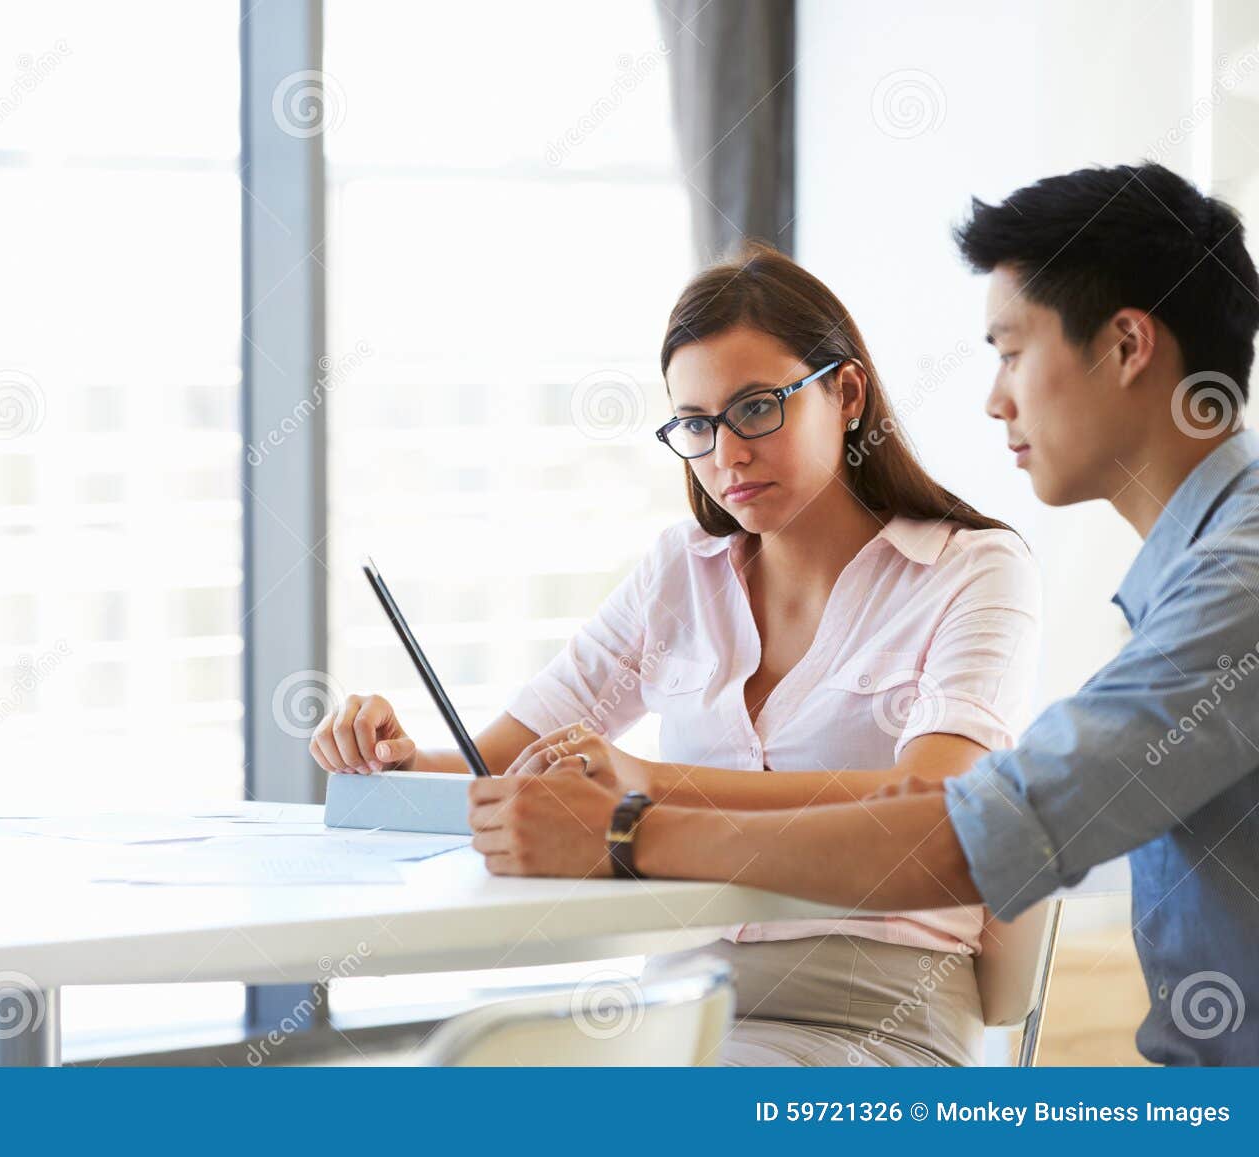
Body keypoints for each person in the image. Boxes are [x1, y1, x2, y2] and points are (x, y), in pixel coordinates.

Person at [472, 162, 1259, 1067]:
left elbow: (970, 832)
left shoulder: (1234, 582)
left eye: (1011, 353)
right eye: (697, 424)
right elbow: (985, 816)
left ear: (1126, 347)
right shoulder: (1197, 574)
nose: (994, 398)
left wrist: (628, 826)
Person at [311, 243, 1042, 1066]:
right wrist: (398, 760)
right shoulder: (678, 572)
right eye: (697, 424)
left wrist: (645, 788)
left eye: (757, 408)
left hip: (877, 1017)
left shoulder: (970, 570)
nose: (727, 455)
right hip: (675, 1010)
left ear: (845, 394)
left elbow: (936, 803)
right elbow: (504, 766)